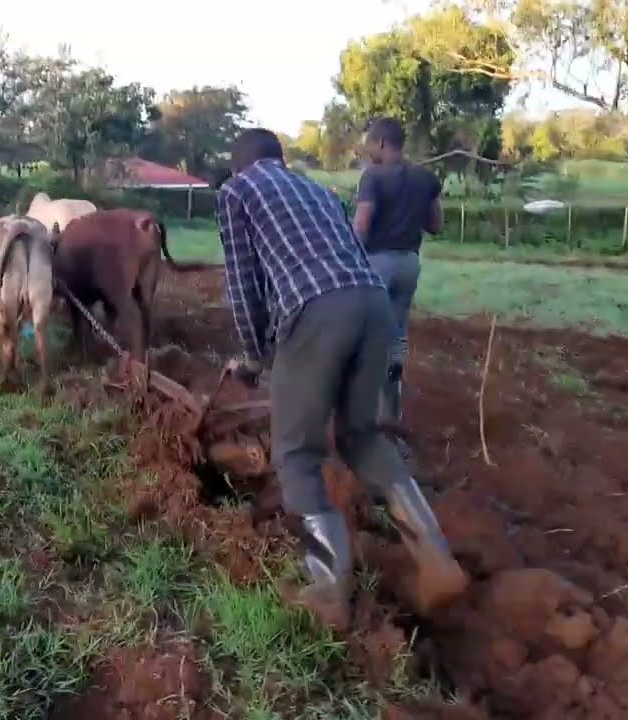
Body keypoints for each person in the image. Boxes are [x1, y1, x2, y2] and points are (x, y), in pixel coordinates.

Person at [215, 128, 466, 630]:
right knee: (360, 434)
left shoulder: (236, 192)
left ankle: (329, 589)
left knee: (295, 452)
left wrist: (253, 355)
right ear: (280, 159)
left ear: (239, 165)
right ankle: (437, 559)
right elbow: (350, 249)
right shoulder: (314, 189)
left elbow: (244, 285)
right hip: (374, 305)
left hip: (317, 312)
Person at [352, 118, 443, 426]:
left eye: (368, 143)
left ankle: (360, 414)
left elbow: (362, 225)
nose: (366, 149)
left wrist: (349, 255)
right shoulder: (426, 178)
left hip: (377, 264)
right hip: (409, 263)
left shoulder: (372, 177)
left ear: (380, 143)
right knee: (396, 334)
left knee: (367, 335)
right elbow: (436, 225)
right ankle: (391, 413)